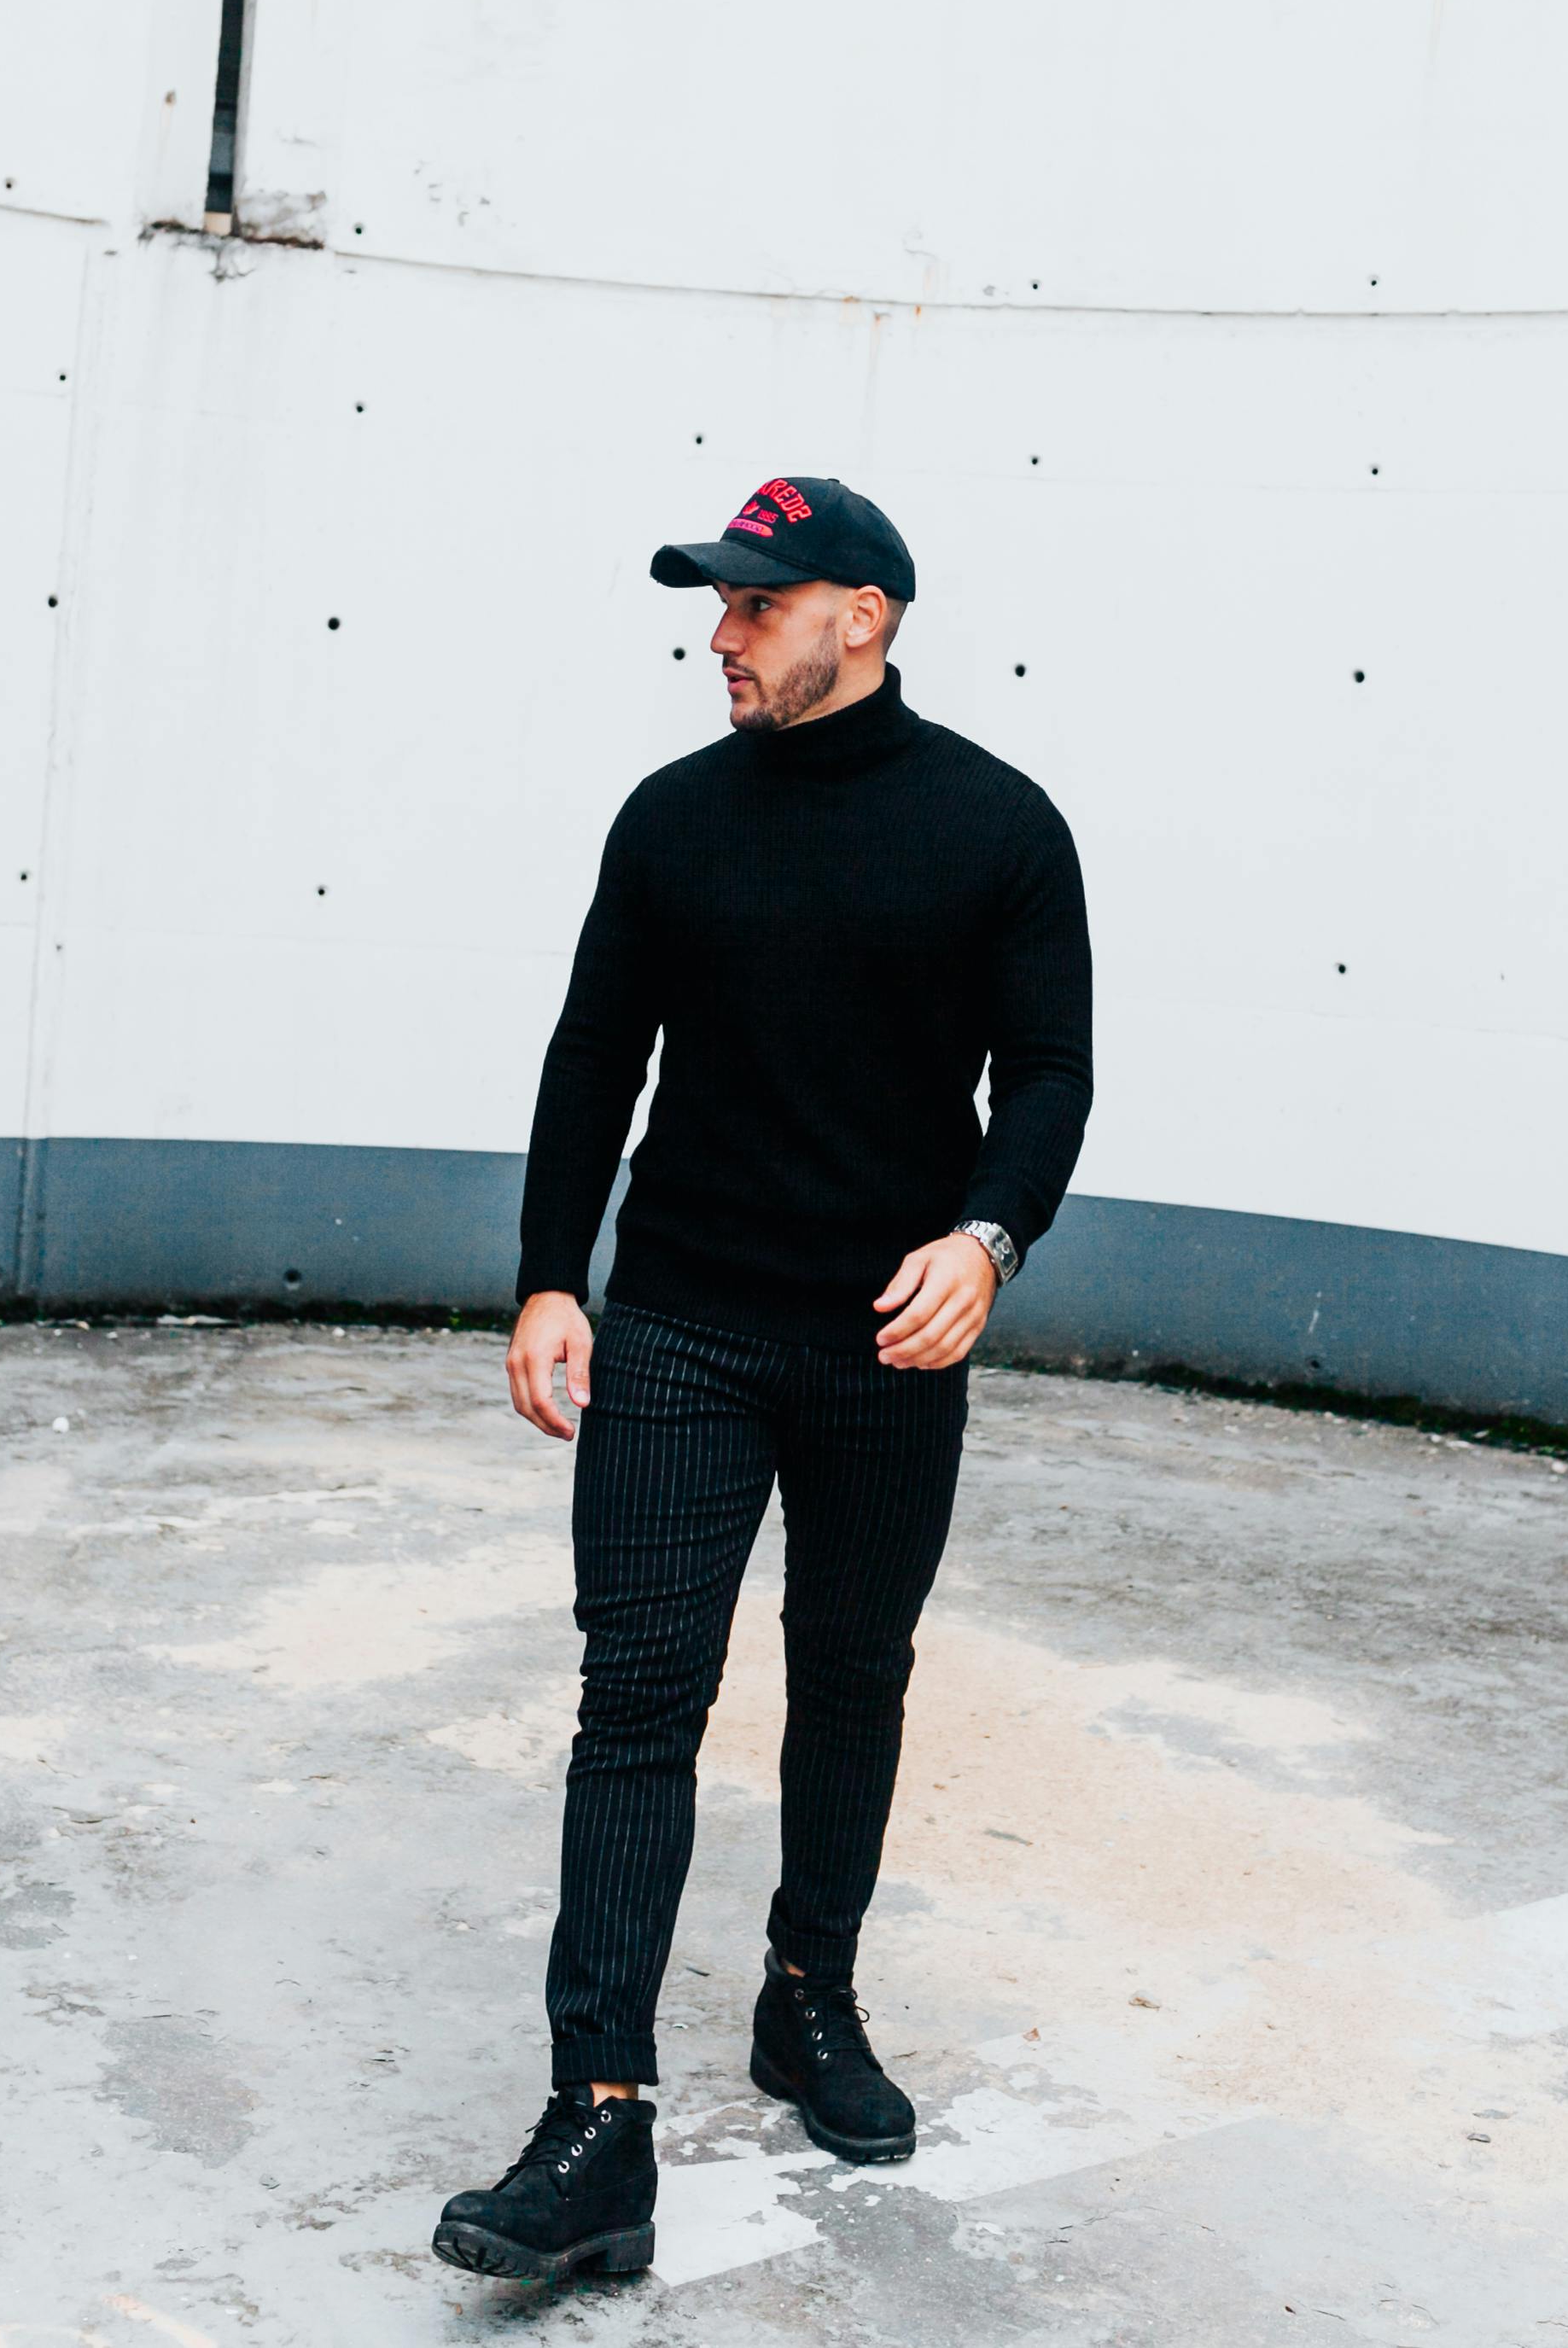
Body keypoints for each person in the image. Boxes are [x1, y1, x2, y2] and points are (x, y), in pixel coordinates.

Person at [432, 475, 1093, 2282]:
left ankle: (809, 1994)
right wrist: (554, 1275)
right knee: (638, 1693)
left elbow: (1044, 1073)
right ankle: (599, 2120)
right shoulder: (671, 823)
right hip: (686, 1328)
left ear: (860, 615)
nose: (719, 632)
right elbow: (594, 1058)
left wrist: (985, 1239)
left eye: (753, 602)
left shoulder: (997, 828)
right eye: (714, 604)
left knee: (851, 1668)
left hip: (885, 1334)